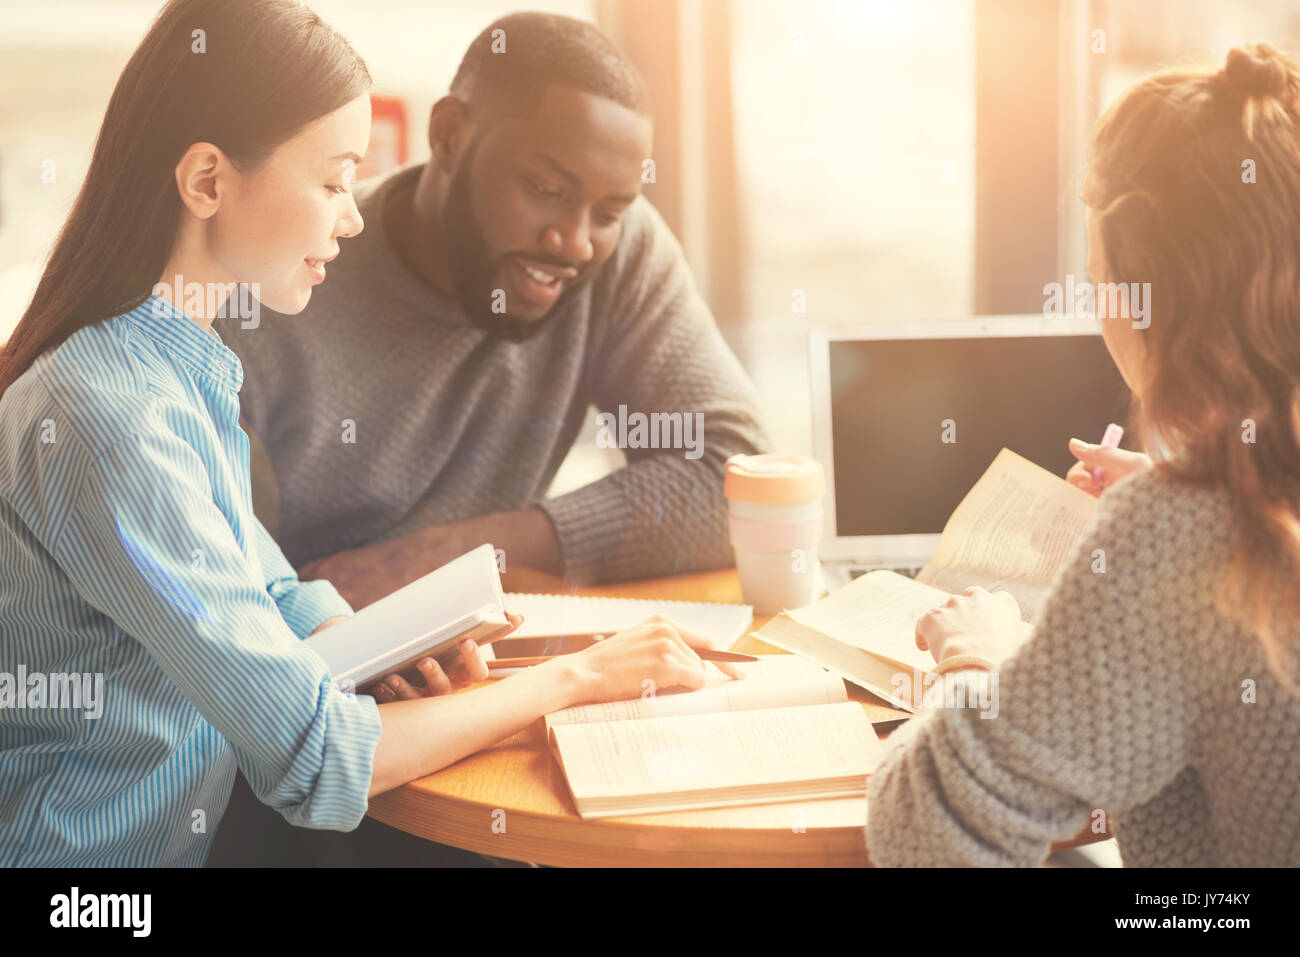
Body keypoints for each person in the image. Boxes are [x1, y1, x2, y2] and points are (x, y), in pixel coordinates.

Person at [0, 0, 721, 868]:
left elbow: (276, 603)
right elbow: (318, 758)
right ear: (206, 182)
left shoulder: (175, 372)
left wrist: (392, 653)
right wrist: (576, 676)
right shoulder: (110, 416)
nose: (352, 217)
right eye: (335, 180)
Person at [866, 43, 1300, 867]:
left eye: (1096, 264)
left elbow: (928, 836)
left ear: (1140, 290)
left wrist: (977, 658)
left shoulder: (1183, 531)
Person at [212, 12, 772, 614]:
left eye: (608, 213)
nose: (577, 242)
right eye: (545, 190)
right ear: (450, 134)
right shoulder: (273, 284)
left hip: (484, 653)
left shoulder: (623, 251)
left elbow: (741, 483)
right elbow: (221, 589)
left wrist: (452, 556)